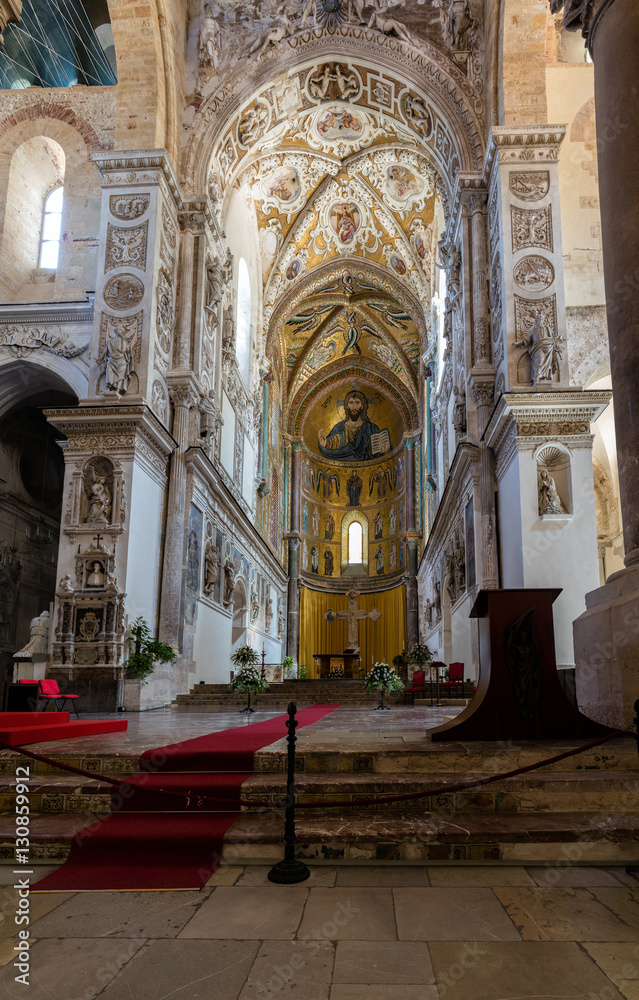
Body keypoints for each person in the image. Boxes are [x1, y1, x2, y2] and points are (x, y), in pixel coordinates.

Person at [319, 390, 390, 462]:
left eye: (357, 403)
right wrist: (324, 445)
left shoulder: (371, 428)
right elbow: (332, 443)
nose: (354, 407)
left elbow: (375, 453)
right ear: (347, 406)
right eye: (351, 403)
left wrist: (382, 450)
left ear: (362, 406)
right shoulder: (339, 427)